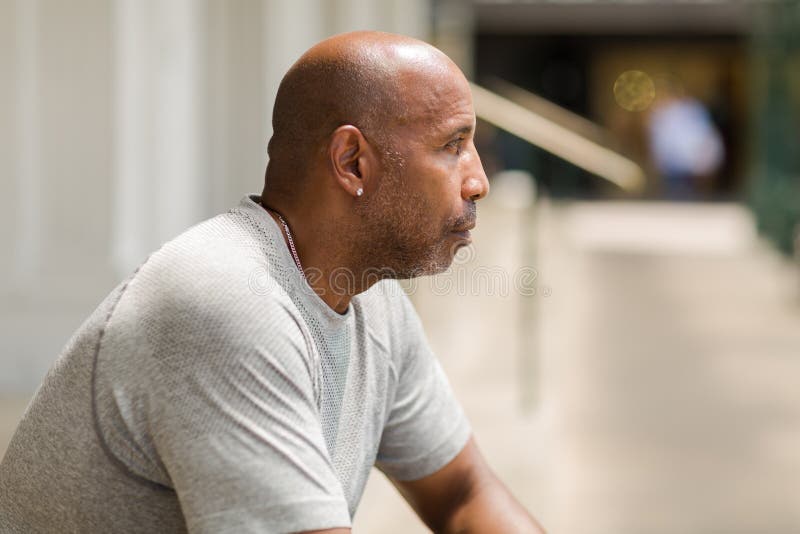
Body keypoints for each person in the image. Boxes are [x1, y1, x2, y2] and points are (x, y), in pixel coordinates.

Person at [0, 31, 544, 533]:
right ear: (352, 162)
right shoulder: (224, 304)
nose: (479, 181)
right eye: (453, 146)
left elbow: (463, 494)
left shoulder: (372, 302)